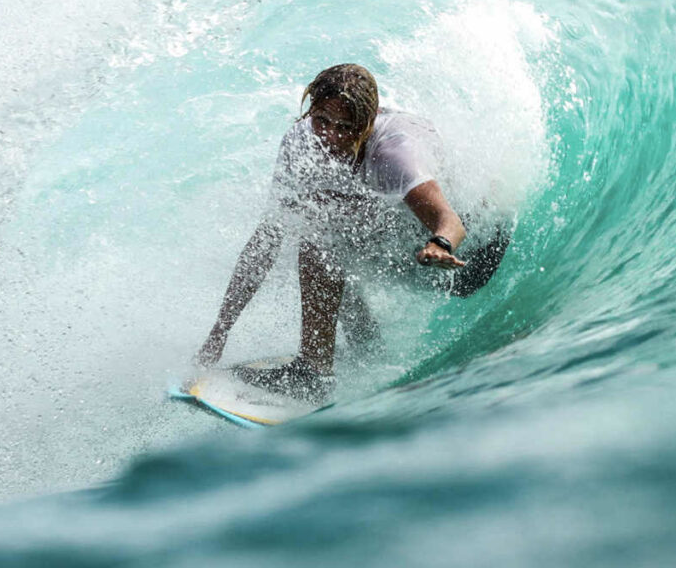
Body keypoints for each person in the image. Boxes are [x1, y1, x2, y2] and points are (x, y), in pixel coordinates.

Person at [196, 64, 509, 402]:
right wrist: (219, 332)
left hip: (467, 260)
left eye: (345, 127)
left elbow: (450, 220)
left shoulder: (394, 153)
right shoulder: (301, 142)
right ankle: (368, 351)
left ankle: (314, 373)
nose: (330, 136)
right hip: (408, 250)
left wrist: (439, 244)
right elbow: (265, 242)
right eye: (322, 121)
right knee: (317, 220)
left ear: (368, 122)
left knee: (320, 238)